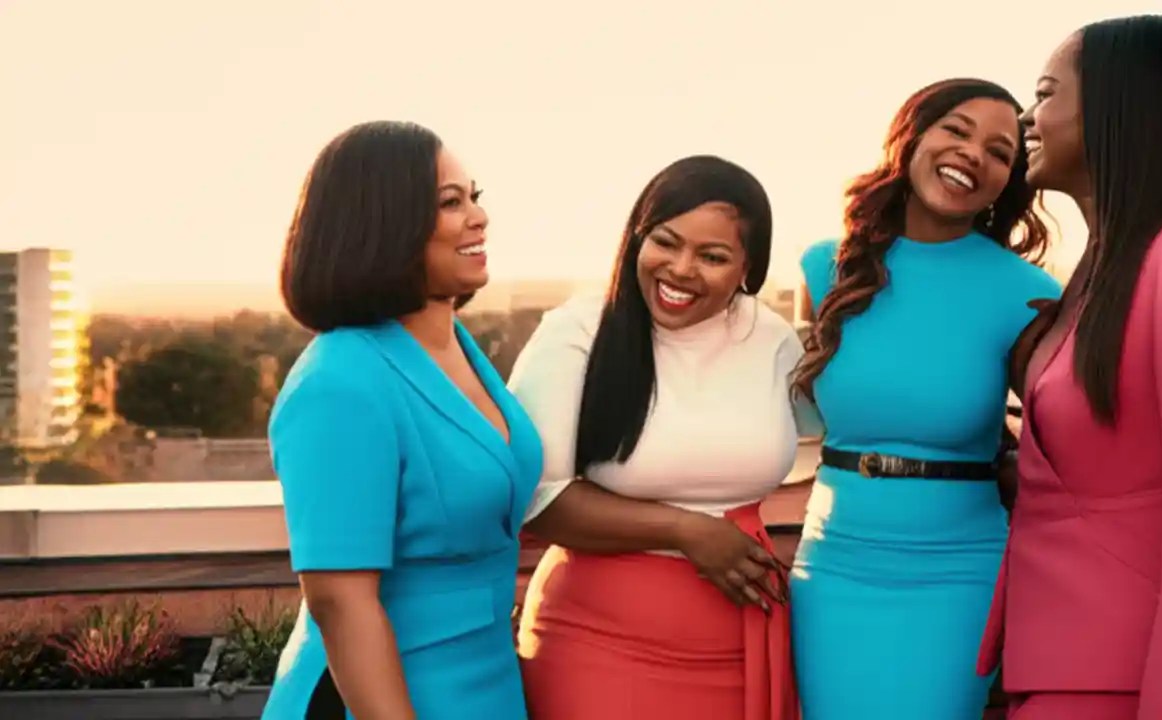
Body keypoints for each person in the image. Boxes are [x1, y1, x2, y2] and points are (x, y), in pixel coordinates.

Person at [977, 16, 1162, 719]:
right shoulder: (1104, 271)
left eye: (1045, 94)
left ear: (1120, 106)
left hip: (1135, 677)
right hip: (1062, 662)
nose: (1027, 118)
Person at [787, 78, 1059, 719]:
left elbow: (1064, 434)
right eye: (956, 130)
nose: (972, 155)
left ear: (1010, 179)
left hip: (958, 574)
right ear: (910, 136)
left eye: (999, 152)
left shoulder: (1028, 293)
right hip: (833, 561)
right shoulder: (824, 267)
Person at [508, 155, 810, 720]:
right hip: (596, 643)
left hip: (740, 643)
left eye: (713, 257)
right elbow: (538, 501)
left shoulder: (772, 339)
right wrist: (687, 530)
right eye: (665, 243)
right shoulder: (577, 331)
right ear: (636, 239)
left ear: (748, 268)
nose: (681, 269)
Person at [261, 121, 542, 720]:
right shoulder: (339, 381)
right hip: (386, 697)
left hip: (486, 683)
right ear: (385, 224)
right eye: (450, 202)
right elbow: (340, 601)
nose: (479, 217)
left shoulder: (457, 346)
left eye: (474, 197)